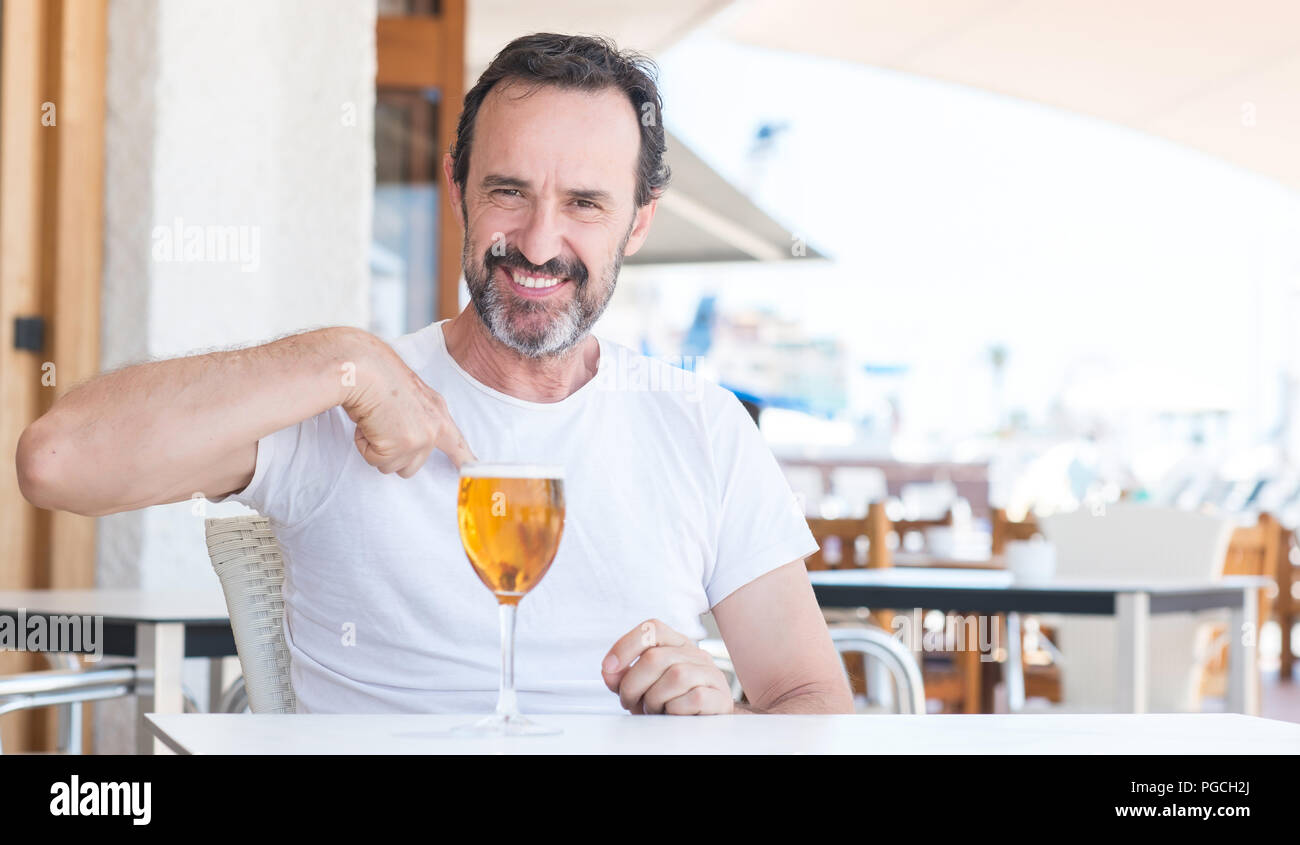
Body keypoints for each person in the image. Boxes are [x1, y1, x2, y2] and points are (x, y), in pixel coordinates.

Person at [17, 33, 852, 716]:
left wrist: (724, 722)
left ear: (638, 222)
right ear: (457, 188)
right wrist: (335, 354)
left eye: (586, 204)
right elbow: (56, 461)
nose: (536, 239)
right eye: (508, 190)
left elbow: (813, 702)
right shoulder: (347, 396)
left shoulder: (700, 424)